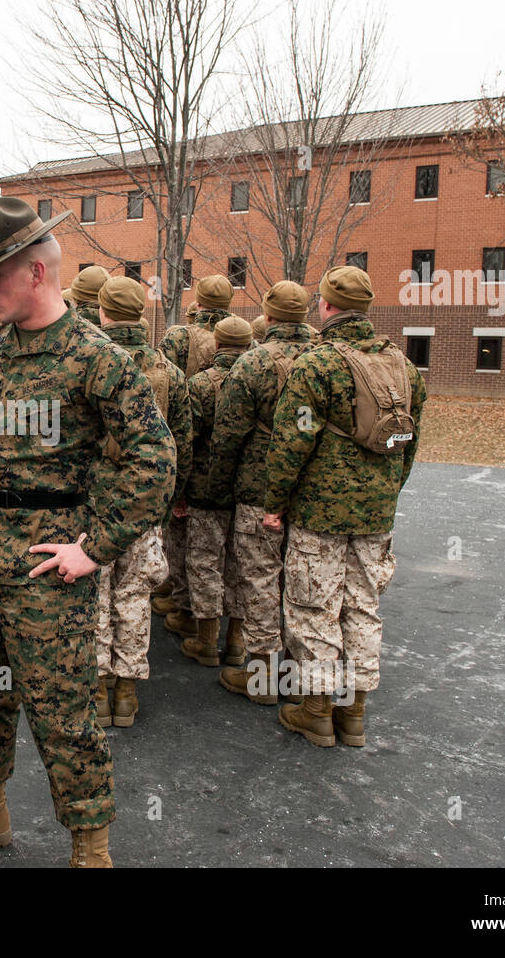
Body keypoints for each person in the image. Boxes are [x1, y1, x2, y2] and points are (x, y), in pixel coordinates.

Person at [0, 197, 175, 867]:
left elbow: (155, 460)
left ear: (36, 273)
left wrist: (95, 548)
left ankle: (90, 845)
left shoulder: (96, 359)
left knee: (62, 710)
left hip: (49, 565)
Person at [263, 266, 426, 748]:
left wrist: (275, 503)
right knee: (363, 606)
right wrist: (388, 493)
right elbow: (410, 444)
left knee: (314, 606)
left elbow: (292, 441)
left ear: (326, 306)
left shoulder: (316, 366)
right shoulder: (403, 367)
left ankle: (316, 712)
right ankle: (353, 713)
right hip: (376, 514)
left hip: (320, 514)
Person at [210, 282, 318, 703]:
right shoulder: (323, 357)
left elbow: (227, 436)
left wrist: (220, 489)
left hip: (258, 491)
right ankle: (297, 675)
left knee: (259, 581)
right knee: (305, 585)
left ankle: (262, 677)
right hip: (311, 495)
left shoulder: (252, 363)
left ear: (268, 316)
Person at [91, 276, 190, 729]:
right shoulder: (169, 372)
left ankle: (97, 690)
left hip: (91, 504)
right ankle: (127, 694)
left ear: (102, 312)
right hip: (144, 504)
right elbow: (181, 444)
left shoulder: (86, 361)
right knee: (135, 596)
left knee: (94, 595)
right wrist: (168, 500)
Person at [152, 275, 234, 624]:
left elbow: (166, 392)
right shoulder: (241, 337)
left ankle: (181, 598)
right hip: (229, 455)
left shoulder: (179, 337)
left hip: (187, 444)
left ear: (197, 302)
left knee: (181, 533)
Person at [176, 315, 254, 667]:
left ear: (217, 344)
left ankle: (207, 640)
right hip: (249, 489)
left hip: (205, 488)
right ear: (248, 345)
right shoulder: (259, 377)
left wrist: (180, 488)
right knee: (242, 564)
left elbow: (186, 440)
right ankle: (236, 641)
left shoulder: (200, 384)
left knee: (205, 562)